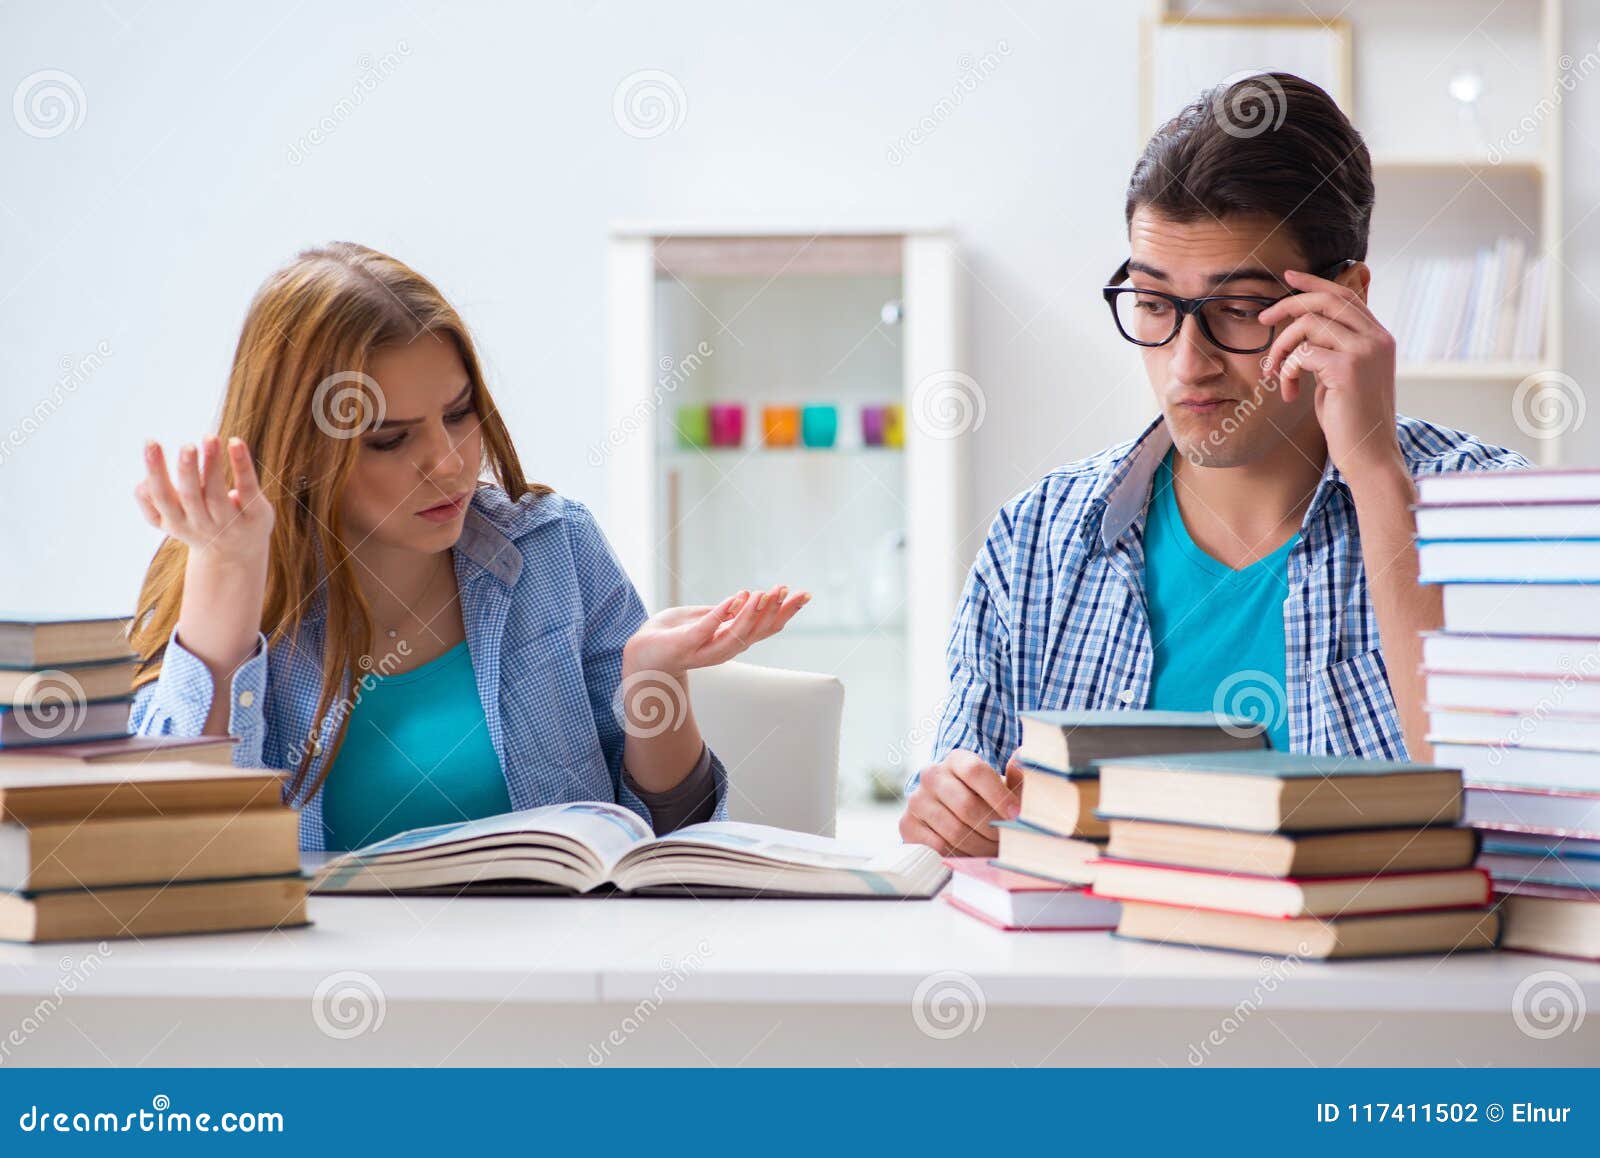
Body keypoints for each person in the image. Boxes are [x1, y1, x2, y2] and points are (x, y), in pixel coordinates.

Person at [901, 73, 1529, 857]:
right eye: (1155, 306)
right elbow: (958, 834)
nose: (1185, 365)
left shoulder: (1493, 514)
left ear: (1347, 302)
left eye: (1237, 310)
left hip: (1387, 977)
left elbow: (1510, 820)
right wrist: (946, 817)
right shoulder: (1034, 543)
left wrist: (1373, 472)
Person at [129, 242, 807, 852]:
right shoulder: (229, 580)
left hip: (552, 975)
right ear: (301, 452)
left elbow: (671, 855)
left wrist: (653, 677)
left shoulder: (556, 550)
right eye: (390, 440)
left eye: (458, 414)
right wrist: (229, 572)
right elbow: (172, 847)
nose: (449, 463)